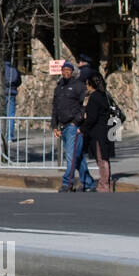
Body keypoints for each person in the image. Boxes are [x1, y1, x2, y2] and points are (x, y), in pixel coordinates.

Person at [50, 60, 96, 193]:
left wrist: (76, 122)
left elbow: (84, 105)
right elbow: (55, 108)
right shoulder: (59, 87)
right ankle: (88, 183)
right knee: (78, 156)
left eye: (69, 70)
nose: (66, 72)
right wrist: (54, 125)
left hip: (73, 127)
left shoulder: (79, 86)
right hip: (63, 126)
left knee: (70, 156)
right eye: (64, 70)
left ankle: (67, 183)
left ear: (72, 72)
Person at [81, 73, 115, 192]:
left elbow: (92, 117)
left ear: (91, 85)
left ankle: (104, 184)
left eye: (87, 84)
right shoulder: (104, 95)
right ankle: (106, 182)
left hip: (99, 132)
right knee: (104, 158)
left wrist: (82, 128)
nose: (86, 87)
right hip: (107, 130)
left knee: (102, 159)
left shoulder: (94, 97)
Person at [4, 60, 21, 141]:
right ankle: (9, 137)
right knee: (10, 115)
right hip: (12, 93)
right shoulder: (14, 69)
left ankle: (0, 135)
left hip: (3, 93)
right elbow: (19, 81)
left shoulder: (1, 68)